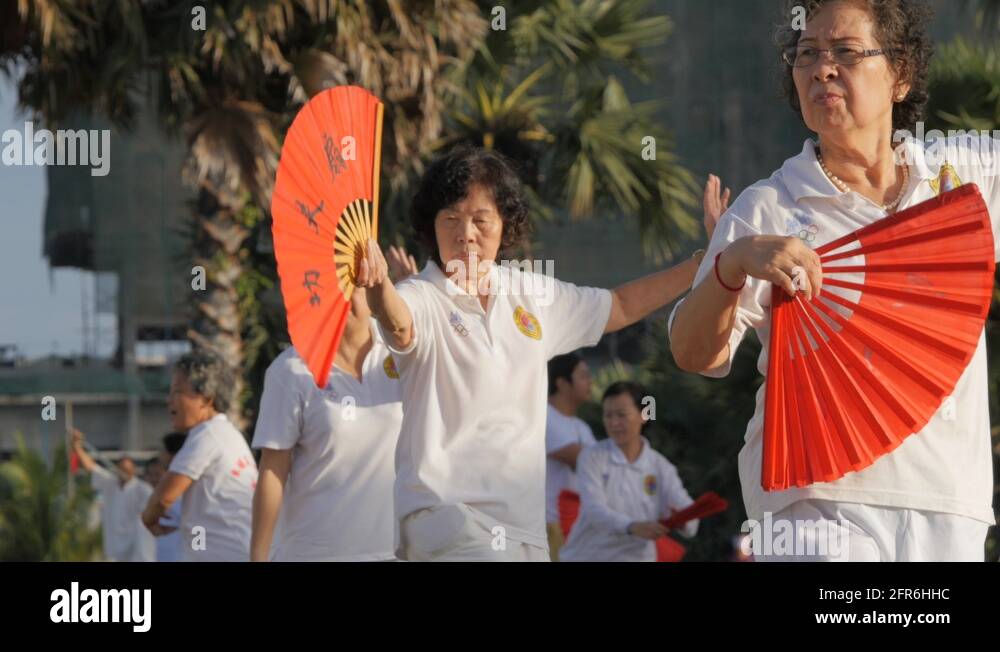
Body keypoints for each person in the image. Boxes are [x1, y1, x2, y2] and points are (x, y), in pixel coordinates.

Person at [669, 0, 999, 561]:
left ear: (902, 74)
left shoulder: (963, 177)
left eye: (845, 52)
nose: (822, 69)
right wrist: (732, 265)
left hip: (949, 502)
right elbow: (693, 352)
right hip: (812, 500)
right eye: (806, 56)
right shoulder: (766, 208)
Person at [355, 145, 719, 561]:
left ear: (505, 223)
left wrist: (705, 263)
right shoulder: (421, 293)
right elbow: (400, 324)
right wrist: (379, 287)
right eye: (450, 219)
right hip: (449, 522)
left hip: (524, 535)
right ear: (431, 226)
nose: (465, 234)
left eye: (480, 220)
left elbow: (618, 307)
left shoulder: (530, 292)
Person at [250, 249, 417, 562]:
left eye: (349, 286)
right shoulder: (291, 371)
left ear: (370, 290)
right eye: (329, 290)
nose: (341, 300)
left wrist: (412, 302)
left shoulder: (403, 358)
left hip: (394, 553)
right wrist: (258, 557)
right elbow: (272, 471)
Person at [558, 382, 698, 562]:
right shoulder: (591, 457)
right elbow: (594, 509)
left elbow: (689, 514)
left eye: (621, 415)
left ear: (644, 415)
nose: (614, 423)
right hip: (589, 556)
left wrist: (682, 520)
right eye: (608, 415)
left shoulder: (660, 466)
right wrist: (631, 526)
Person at [141, 351, 257, 561]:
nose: (169, 401)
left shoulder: (207, 436)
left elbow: (163, 498)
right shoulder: (230, 436)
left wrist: (149, 519)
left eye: (177, 392)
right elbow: (200, 523)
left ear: (206, 399)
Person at [70, 428, 156, 562]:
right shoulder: (109, 482)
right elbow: (90, 466)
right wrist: (77, 447)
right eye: (121, 469)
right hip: (113, 549)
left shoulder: (143, 489)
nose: (124, 472)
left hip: (136, 550)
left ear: (133, 470)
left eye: (127, 469)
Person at [544, 352, 597, 561]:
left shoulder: (581, 427)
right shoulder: (544, 416)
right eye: (583, 376)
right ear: (563, 383)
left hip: (575, 526)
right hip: (549, 525)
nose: (590, 381)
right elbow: (584, 461)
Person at [143, 433, 187, 562]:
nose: (161, 454)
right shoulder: (163, 490)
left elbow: (199, 526)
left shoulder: (187, 490)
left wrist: (196, 552)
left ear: (172, 456)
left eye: (163, 450)